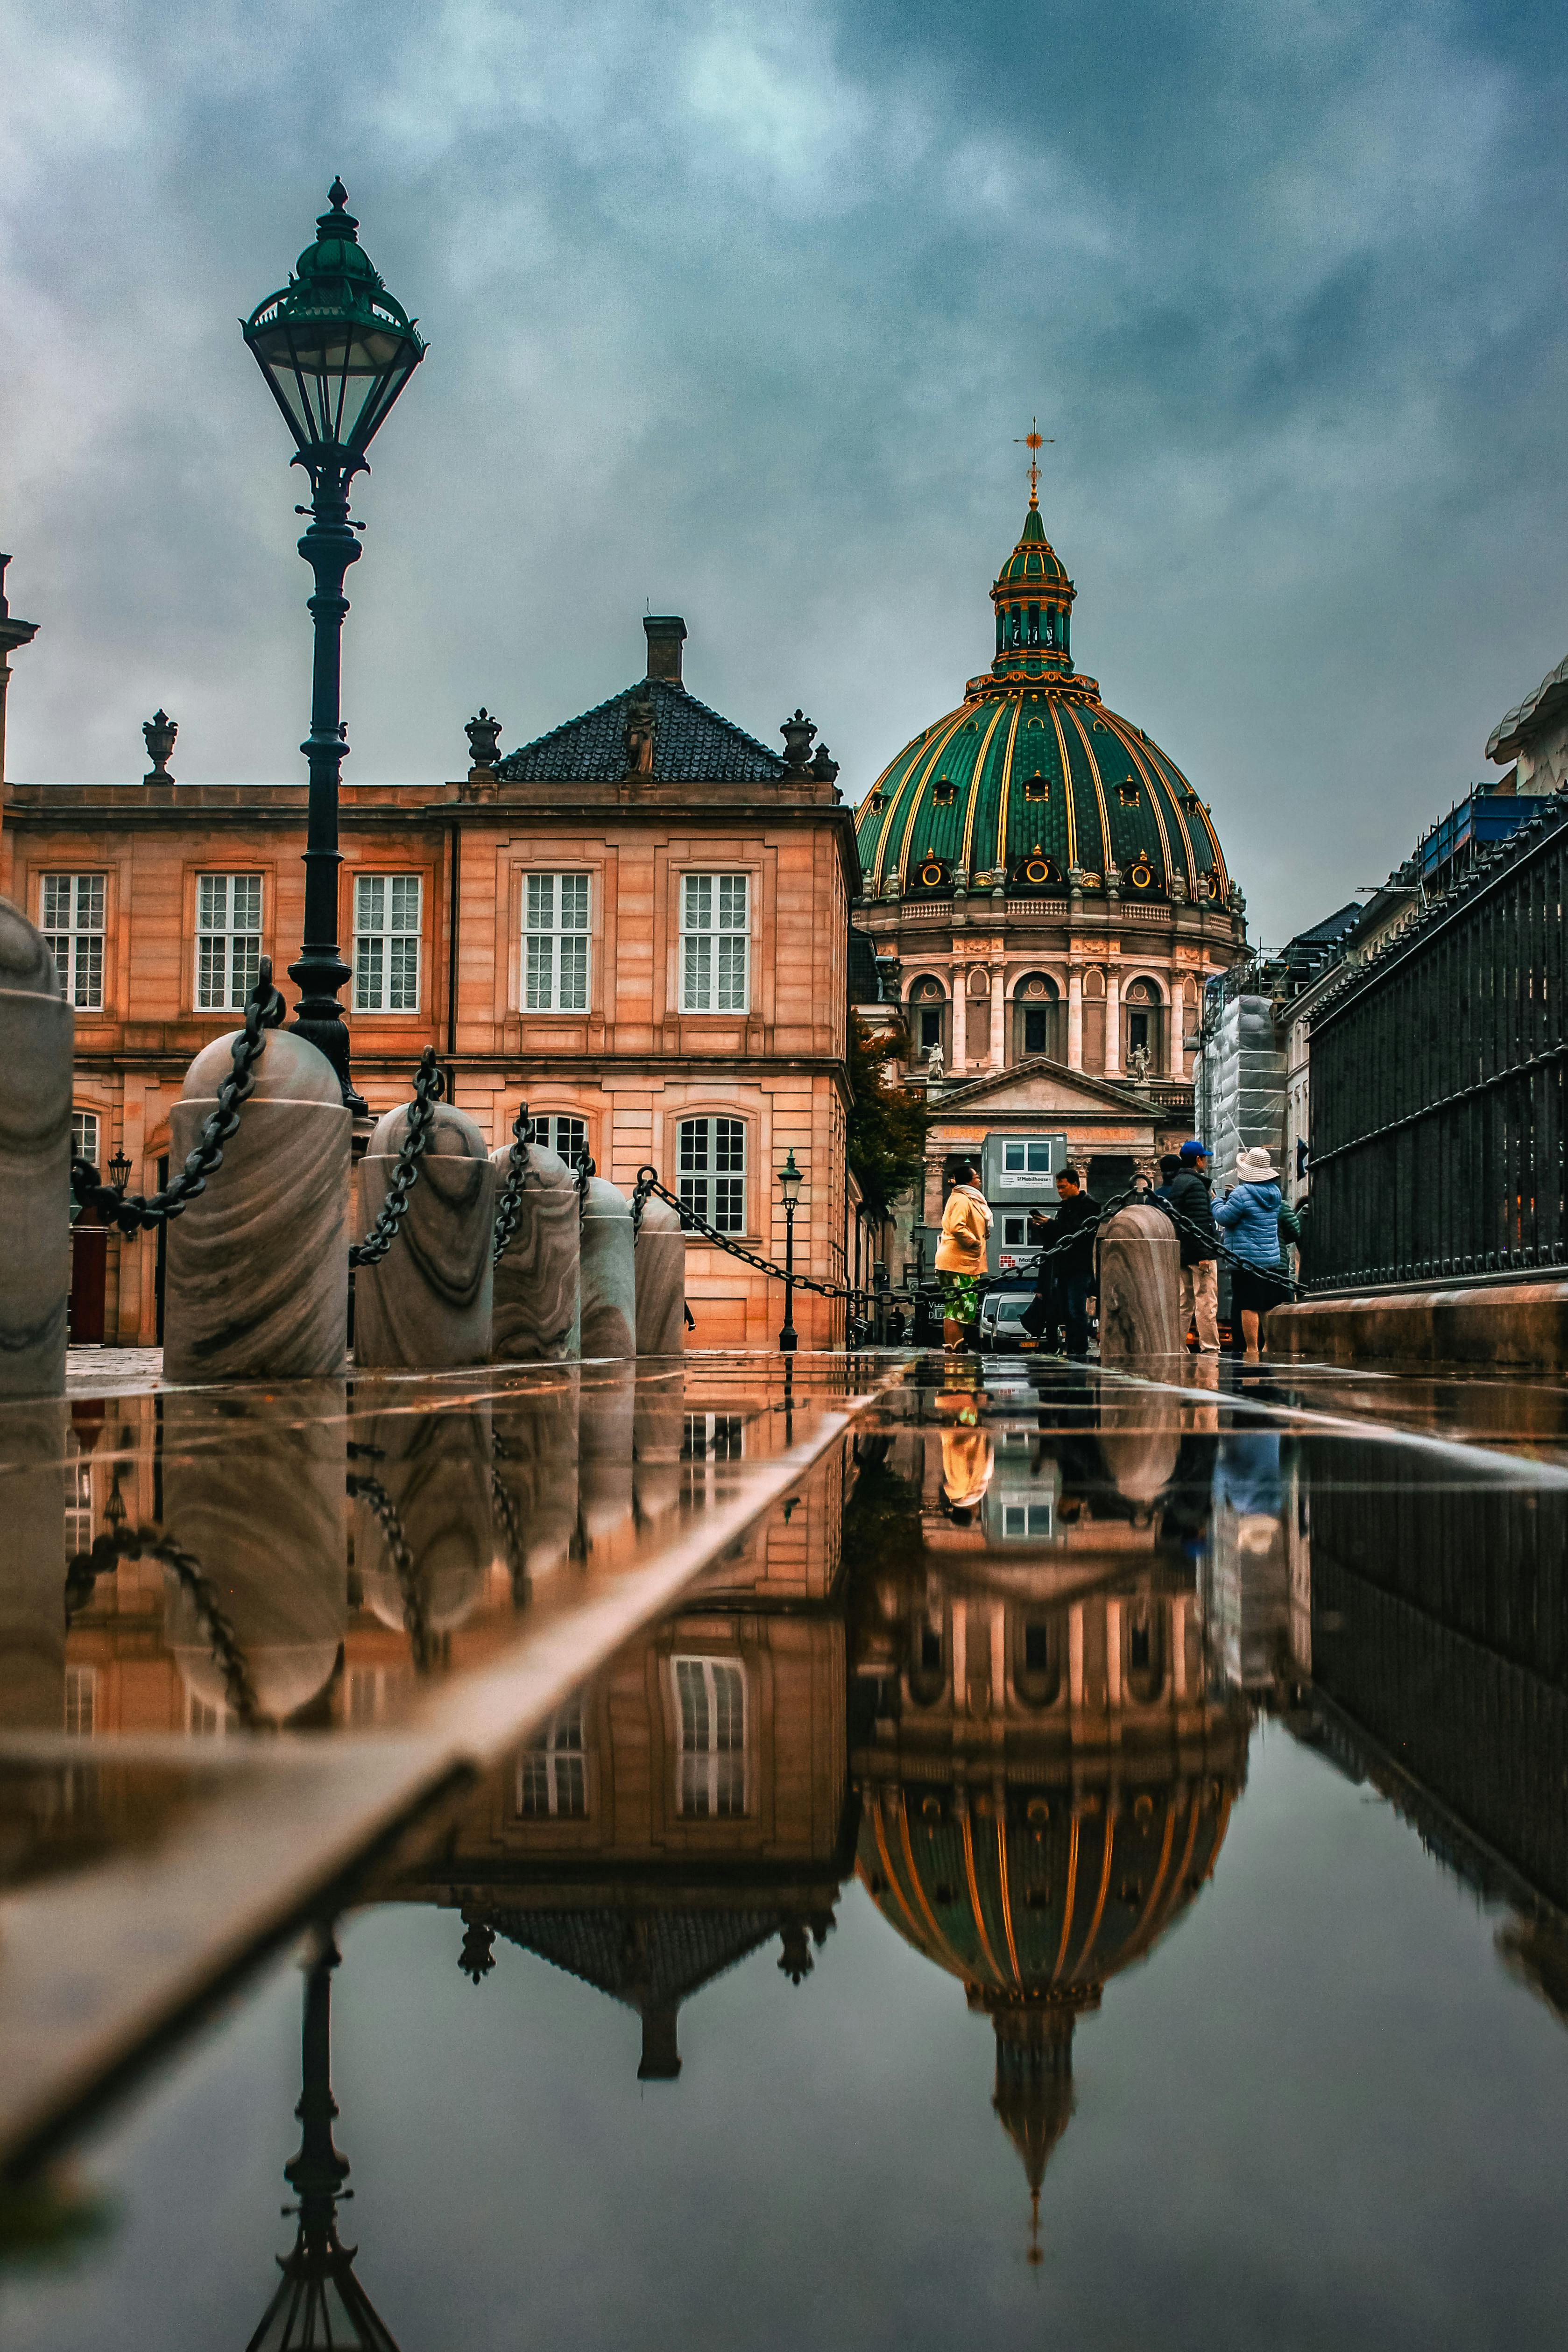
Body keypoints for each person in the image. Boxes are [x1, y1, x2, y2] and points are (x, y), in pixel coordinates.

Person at [1214, 1145, 1291, 1362]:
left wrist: (1218, 1201)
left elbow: (1224, 1218)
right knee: (1266, 1304)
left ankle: (1251, 1349)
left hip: (1246, 1258)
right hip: (1269, 1257)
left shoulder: (1241, 1194)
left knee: (1249, 1305)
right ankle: (1267, 1346)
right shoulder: (1275, 1194)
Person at [1027, 1166, 1099, 1357]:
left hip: (1078, 1267)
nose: (1060, 1191)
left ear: (1076, 1185)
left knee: (1076, 1311)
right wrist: (1043, 1227)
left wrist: (1050, 1224)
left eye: (1063, 1187)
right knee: (1066, 1312)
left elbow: (1076, 1232)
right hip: (1063, 1267)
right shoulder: (1064, 1208)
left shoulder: (1089, 1206)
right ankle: (1073, 1348)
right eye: (1058, 1187)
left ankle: (1080, 1348)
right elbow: (1055, 1240)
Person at [1165, 1138, 1221, 1356]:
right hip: (1199, 1254)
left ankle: (1178, 1346)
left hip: (1183, 1253)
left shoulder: (1178, 1183)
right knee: (1206, 1302)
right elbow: (1199, 1222)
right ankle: (1210, 1347)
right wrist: (1205, 1254)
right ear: (1198, 1160)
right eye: (1204, 1158)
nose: (1206, 1162)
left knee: (1184, 1302)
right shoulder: (1196, 1185)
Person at [935, 1159, 992, 1351]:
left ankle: (954, 1348)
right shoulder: (962, 1199)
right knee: (958, 1309)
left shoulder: (967, 1198)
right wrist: (974, 1243)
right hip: (959, 1262)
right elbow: (958, 1227)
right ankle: (953, 1349)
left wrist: (982, 1231)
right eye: (976, 1177)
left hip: (959, 1262)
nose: (980, 1181)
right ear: (968, 1182)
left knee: (958, 1309)